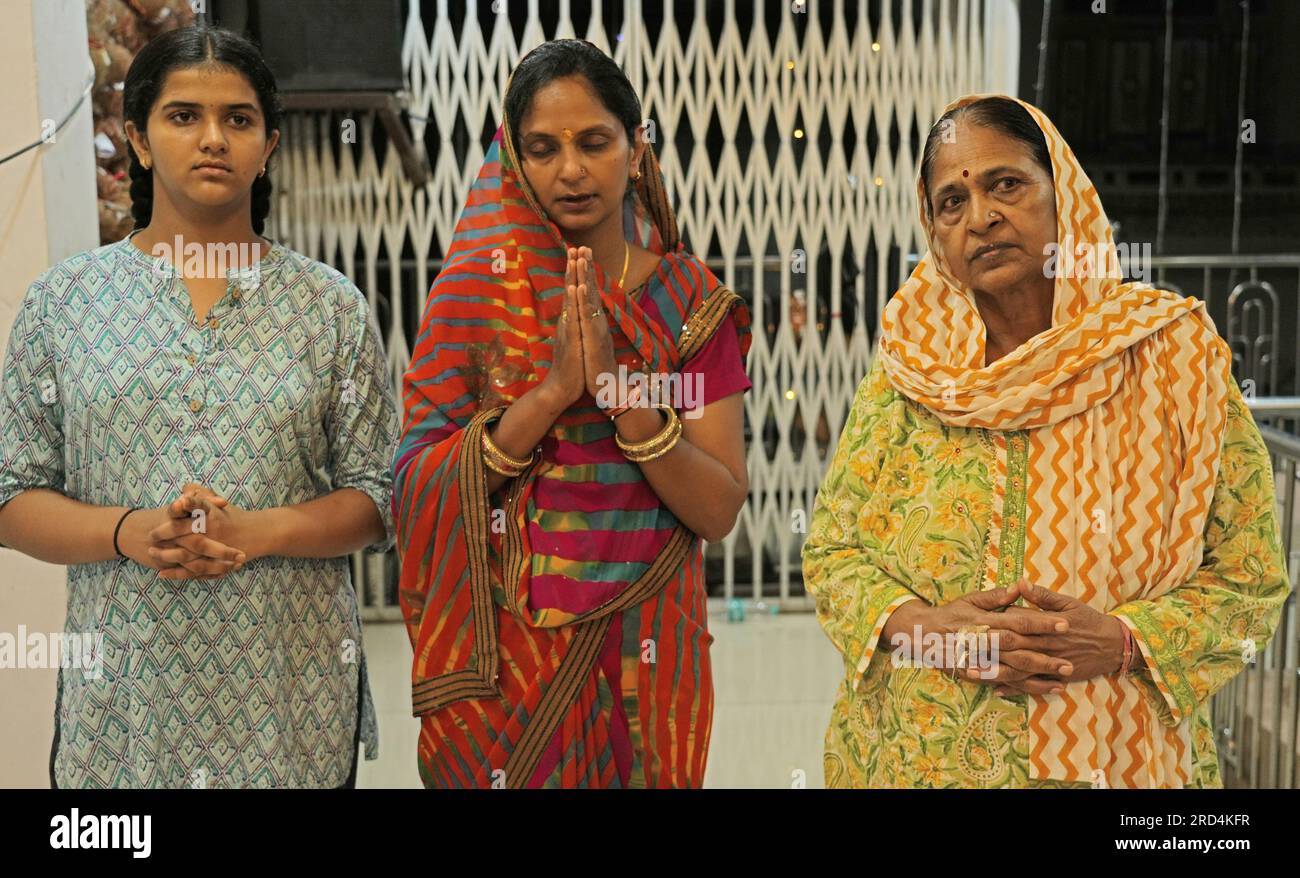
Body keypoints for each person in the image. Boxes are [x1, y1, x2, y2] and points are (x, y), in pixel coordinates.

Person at [802, 94, 1290, 788]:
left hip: (1123, 763)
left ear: (1064, 193)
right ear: (936, 236)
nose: (981, 216)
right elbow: (831, 552)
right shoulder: (912, 373)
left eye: (1006, 183)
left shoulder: (1172, 356)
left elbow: (1251, 581)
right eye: (951, 202)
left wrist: (1124, 643)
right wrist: (927, 628)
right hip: (917, 758)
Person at [0, 25, 399, 788]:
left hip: (291, 703)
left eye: (238, 119)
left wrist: (257, 530)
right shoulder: (63, 304)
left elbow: (381, 500)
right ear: (139, 141)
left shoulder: (330, 308)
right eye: (183, 116)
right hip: (122, 712)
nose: (213, 138)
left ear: (268, 145)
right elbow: (11, 493)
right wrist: (130, 533)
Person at [394, 39, 752, 788]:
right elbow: (415, 485)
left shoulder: (691, 301)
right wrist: (554, 391)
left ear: (636, 147)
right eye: (542, 148)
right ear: (514, 163)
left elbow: (718, 508)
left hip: (647, 647)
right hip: (505, 662)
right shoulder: (471, 297)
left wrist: (623, 397)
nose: (571, 170)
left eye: (595, 142)